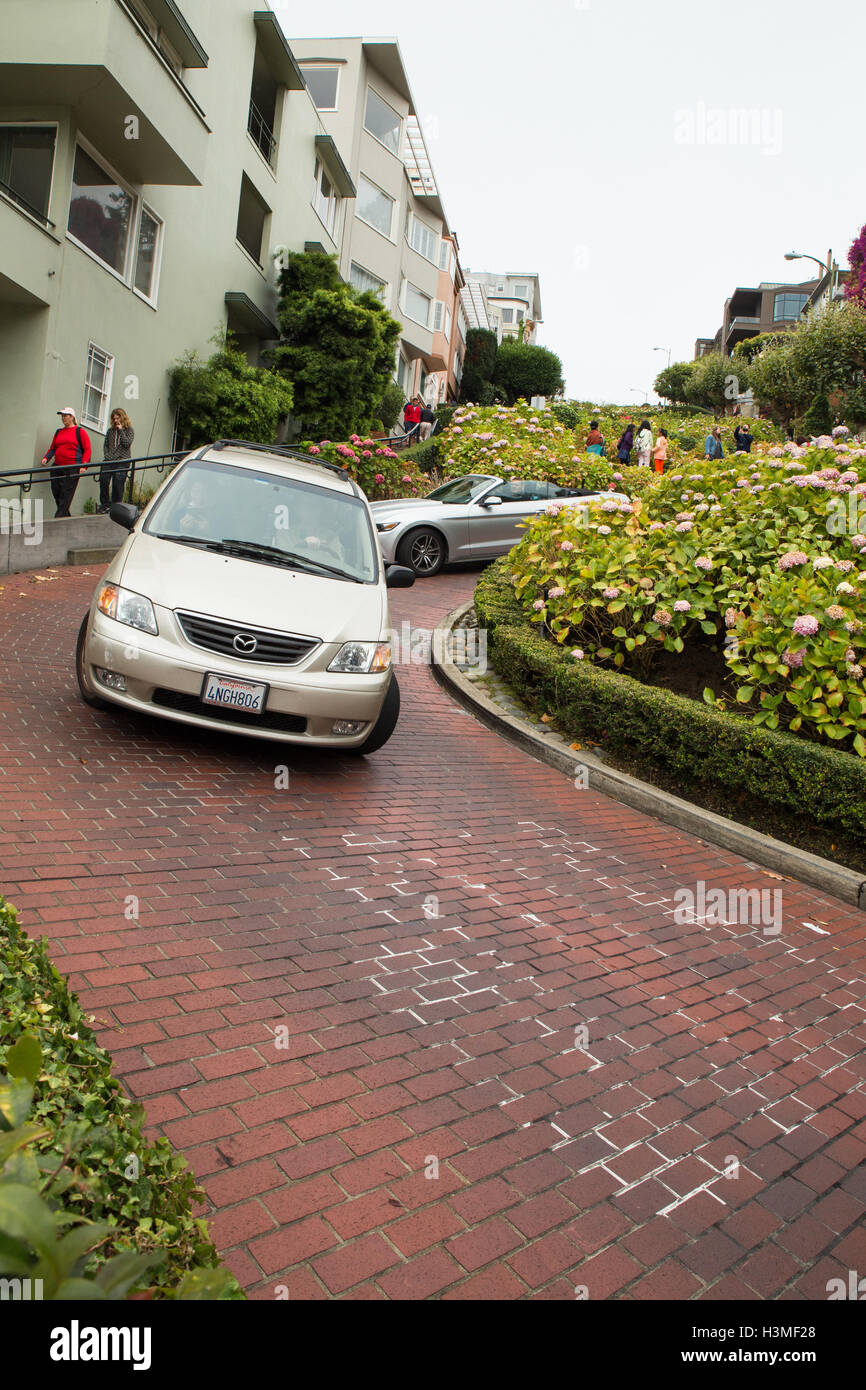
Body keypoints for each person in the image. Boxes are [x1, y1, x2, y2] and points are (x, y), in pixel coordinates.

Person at [42, 407, 91, 518]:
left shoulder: (80, 432)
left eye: (65, 415)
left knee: (66, 494)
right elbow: (53, 448)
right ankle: (66, 517)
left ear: (72, 417)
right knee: (57, 492)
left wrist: (84, 465)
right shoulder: (59, 432)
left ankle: (58, 518)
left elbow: (87, 449)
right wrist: (46, 458)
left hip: (72, 467)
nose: (63, 418)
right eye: (62, 416)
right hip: (57, 467)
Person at [98, 407, 135, 512]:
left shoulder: (129, 430)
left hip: (122, 460)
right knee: (104, 480)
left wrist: (121, 431)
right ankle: (105, 504)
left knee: (118, 484)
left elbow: (127, 443)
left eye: (118, 418)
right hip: (109, 460)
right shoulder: (110, 431)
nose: (116, 421)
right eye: (114, 419)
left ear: (122, 418)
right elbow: (106, 445)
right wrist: (107, 455)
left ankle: (116, 506)